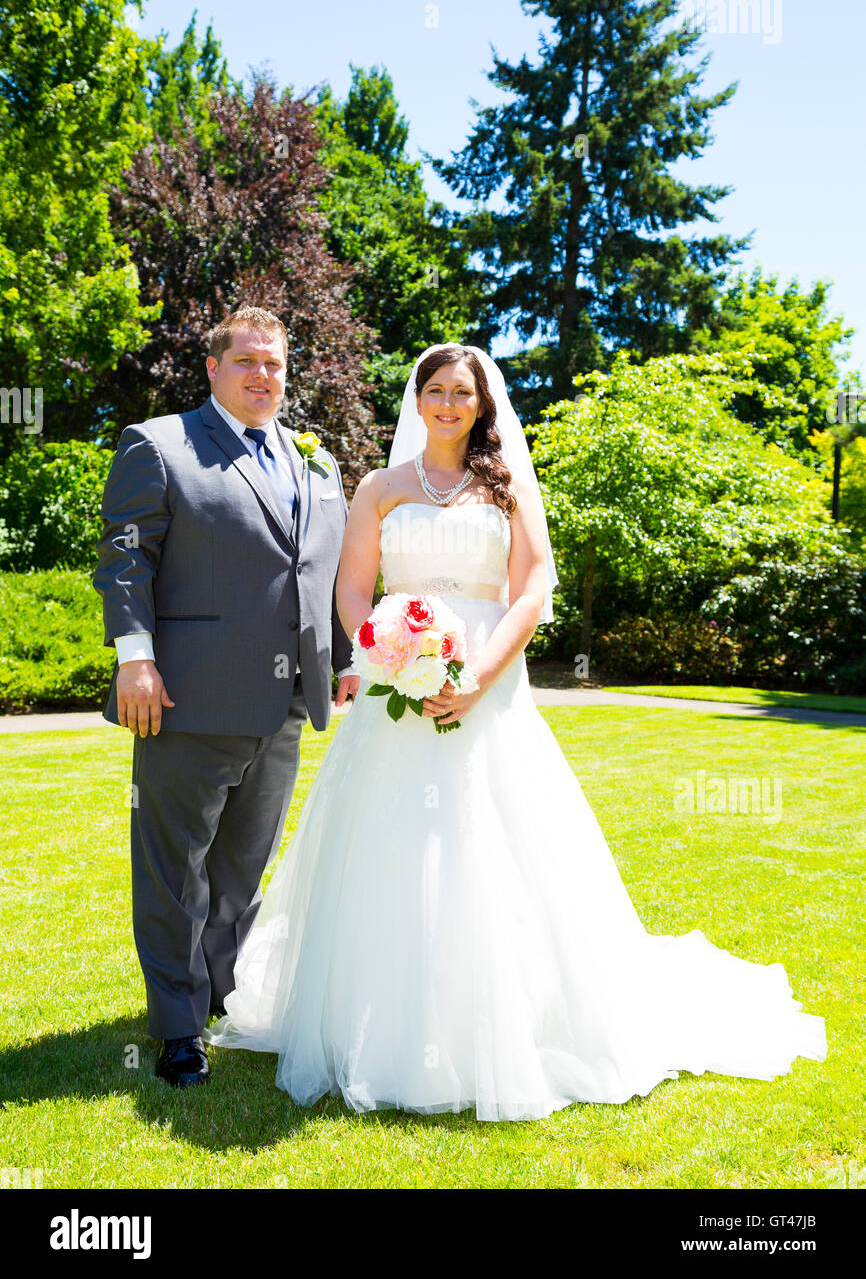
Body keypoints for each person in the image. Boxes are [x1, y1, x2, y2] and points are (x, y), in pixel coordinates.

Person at [204, 343, 828, 1120]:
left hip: (488, 683)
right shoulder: (381, 488)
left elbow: (534, 585)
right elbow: (354, 588)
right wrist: (385, 656)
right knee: (385, 843)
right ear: (417, 399)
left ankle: (501, 1022)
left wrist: (479, 676)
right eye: (434, 390)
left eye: (461, 393)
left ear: (481, 404)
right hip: (396, 685)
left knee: (490, 836)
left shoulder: (505, 488)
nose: (446, 404)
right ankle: (374, 1023)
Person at [93, 306, 360, 1088]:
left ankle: (216, 996)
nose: (262, 376)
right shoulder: (159, 444)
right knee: (175, 871)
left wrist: (345, 660)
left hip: (285, 704)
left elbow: (327, 572)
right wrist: (134, 659)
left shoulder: (316, 461)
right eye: (246, 361)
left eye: (274, 363)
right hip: (186, 700)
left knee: (242, 868)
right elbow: (124, 559)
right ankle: (177, 1032)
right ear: (212, 368)